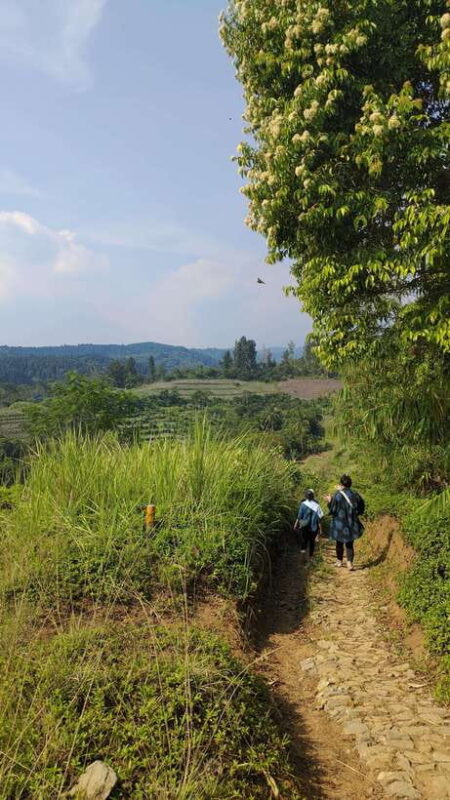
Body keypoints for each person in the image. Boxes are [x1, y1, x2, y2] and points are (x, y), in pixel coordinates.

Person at [325, 475, 365, 571]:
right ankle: (349, 563)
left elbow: (333, 509)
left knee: (339, 542)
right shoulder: (355, 494)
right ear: (350, 484)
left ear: (342, 484)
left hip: (339, 523)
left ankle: (339, 561)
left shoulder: (337, 495)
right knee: (349, 543)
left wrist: (329, 501)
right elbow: (361, 507)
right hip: (351, 521)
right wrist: (356, 514)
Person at [294, 489, 324, 559]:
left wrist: (295, 524)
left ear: (306, 496)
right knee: (312, 542)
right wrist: (320, 529)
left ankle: (303, 556)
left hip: (304, 526)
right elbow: (319, 518)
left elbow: (299, 516)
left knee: (304, 541)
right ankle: (310, 557)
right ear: (313, 496)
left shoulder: (303, 504)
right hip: (313, 527)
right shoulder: (317, 505)